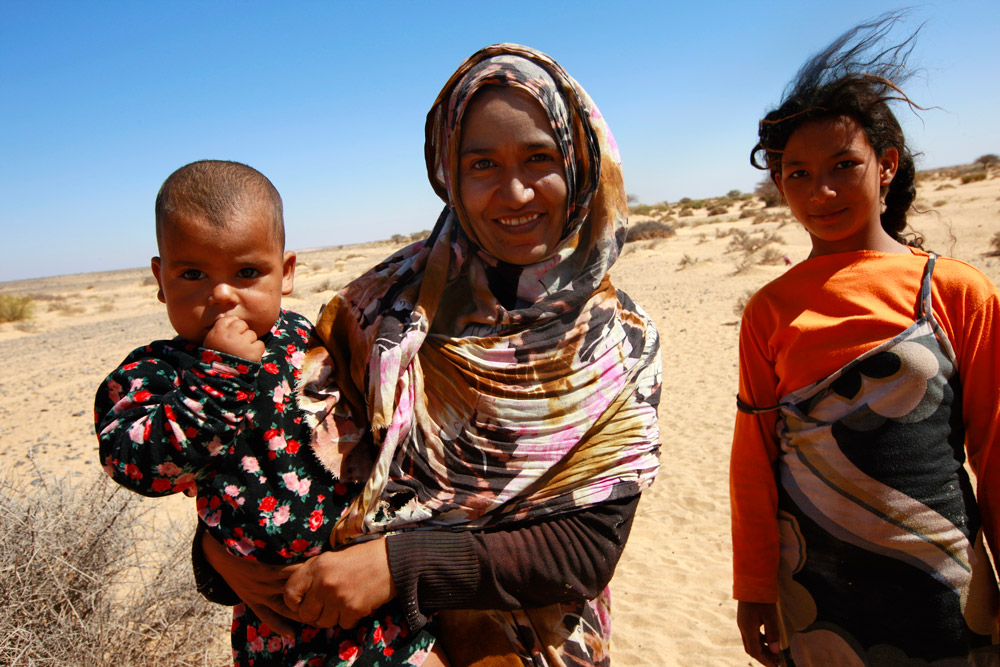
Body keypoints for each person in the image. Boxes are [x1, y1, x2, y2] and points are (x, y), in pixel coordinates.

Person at [198, 43, 663, 666]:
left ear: (579, 161)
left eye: (538, 157)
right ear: (450, 173)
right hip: (356, 641)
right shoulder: (376, 312)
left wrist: (397, 565)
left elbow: (586, 549)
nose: (515, 191)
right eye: (481, 163)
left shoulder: (619, 343)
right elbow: (275, 451)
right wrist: (216, 551)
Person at [729, 13, 1000, 666]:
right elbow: (754, 460)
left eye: (841, 166)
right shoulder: (769, 310)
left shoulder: (958, 291)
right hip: (815, 597)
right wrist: (753, 587)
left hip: (946, 592)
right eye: (796, 173)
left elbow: (994, 447)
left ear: (886, 166)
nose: (818, 191)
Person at [95, 160, 442, 666]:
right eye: (192, 273)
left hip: (375, 599)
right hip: (273, 623)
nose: (221, 293)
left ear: (287, 273)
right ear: (160, 278)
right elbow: (138, 467)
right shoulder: (158, 373)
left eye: (247, 272)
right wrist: (218, 378)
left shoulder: (317, 341)